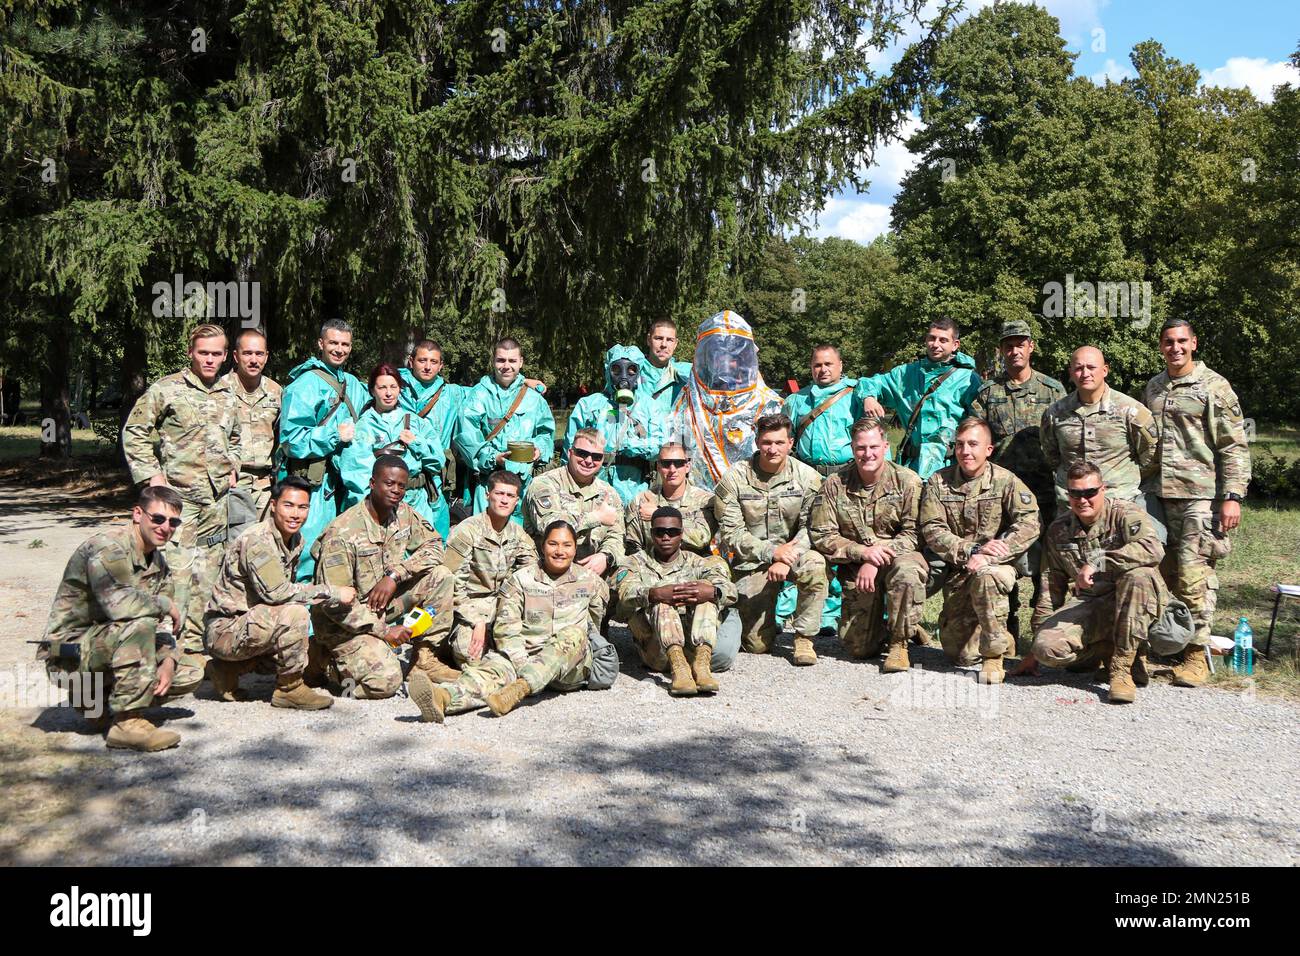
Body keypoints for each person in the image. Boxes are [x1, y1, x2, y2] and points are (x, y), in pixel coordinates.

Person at [122, 322, 241, 692]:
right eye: (203, 353)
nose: (210, 359)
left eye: (216, 353)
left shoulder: (228, 392)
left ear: (225, 356)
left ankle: (196, 655)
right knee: (175, 575)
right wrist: (151, 478)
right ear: (191, 353)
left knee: (210, 576)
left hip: (215, 501)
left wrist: (232, 464)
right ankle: (165, 652)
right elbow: (135, 432)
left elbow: (235, 435)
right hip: (179, 502)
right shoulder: (167, 389)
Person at [37, 486, 195, 752]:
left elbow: (165, 625)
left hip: (108, 644)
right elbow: (121, 607)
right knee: (140, 624)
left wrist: (168, 660)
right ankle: (127, 722)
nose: (166, 527)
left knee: (188, 670)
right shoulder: (107, 547)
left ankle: (98, 701)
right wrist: (165, 604)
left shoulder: (158, 562)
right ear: (137, 514)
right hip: (69, 653)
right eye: (157, 518)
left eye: (173, 522)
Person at [407, 520, 610, 722]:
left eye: (567, 545)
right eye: (553, 544)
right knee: (492, 670)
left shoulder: (591, 581)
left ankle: (520, 688)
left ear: (575, 549)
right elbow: (506, 629)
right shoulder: (521, 580)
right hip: (524, 658)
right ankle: (444, 698)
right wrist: (522, 663)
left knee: (574, 634)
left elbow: (594, 624)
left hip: (568, 670)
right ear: (542, 546)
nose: (559, 551)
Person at [1141, 318, 1251, 688]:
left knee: (1194, 575)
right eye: (1168, 342)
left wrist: (1232, 496)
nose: (1175, 348)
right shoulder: (1154, 388)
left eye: (1182, 341)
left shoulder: (1214, 387)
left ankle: (1196, 655)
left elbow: (1233, 446)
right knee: (1162, 572)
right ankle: (1168, 643)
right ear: (1160, 346)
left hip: (1199, 497)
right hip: (1157, 494)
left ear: (1194, 343)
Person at [1014, 462, 1169, 704]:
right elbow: (1049, 588)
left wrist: (1100, 561)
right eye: (1075, 493)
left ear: (1103, 489)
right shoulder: (1059, 530)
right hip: (1093, 604)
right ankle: (1104, 650)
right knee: (1047, 649)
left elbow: (1152, 549)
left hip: (1137, 601)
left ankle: (1121, 668)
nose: (1083, 500)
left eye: (1090, 493)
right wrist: (1035, 652)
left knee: (1138, 575)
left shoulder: (1125, 514)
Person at [309, 456, 455, 699]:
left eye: (401, 486)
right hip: (344, 624)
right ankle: (323, 661)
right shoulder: (342, 532)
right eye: (389, 484)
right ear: (372, 483)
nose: (396, 491)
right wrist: (384, 630)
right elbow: (333, 604)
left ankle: (423, 658)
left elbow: (434, 547)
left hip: (383, 606)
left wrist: (395, 575)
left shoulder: (403, 513)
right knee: (385, 682)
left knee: (441, 577)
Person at [204, 476, 355, 710]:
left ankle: (227, 670)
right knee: (295, 615)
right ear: (273, 505)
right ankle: (290, 689)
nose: (296, 514)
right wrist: (333, 592)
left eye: (303, 507)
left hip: (251, 621)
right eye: (289, 505)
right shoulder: (257, 540)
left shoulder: (295, 539)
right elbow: (278, 593)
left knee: (305, 643)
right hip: (226, 629)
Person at [919, 417, 1039, 684]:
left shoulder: (1005, 480)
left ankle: (993, 657)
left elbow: (1030, 521)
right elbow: (932, 528)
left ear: (989, 449)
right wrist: (971, 550)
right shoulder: (939, 482)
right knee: (958, 654)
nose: (966, 451)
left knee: (987, 576)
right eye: (960, 444)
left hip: (996, 565)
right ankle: (999, 636)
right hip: (959, 567)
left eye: (973, 444)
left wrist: (992, 553)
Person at [969, 320, 1066, 641]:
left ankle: (1044, 631)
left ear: (1031, 347)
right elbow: (974, 435)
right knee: (1002, 556)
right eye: (1008, 345)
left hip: (1045, 491)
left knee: (1048, 563)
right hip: (1001, 495)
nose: (1014, 350)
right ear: (1001, 350)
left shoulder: (1053, 391)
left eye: (1020, 344)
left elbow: (1065, 437)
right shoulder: (988, 393)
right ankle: (1005, 631)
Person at [810, 417, 928, 672]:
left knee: (908, 572)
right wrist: (863, 553)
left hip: (900, 560)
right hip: (857, 567)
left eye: (874, 447)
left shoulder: (908, 481)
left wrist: (876, 559)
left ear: (886, 446)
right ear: (852, 449)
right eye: (861, 448)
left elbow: (915, 534)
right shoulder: (835, 484)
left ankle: (900, 643)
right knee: (859, 648)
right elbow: (822, 534)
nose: (868, 454)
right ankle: (898, 623)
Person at [714, 413, 828, 666]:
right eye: (766, 442)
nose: (772, 449)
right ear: (756, 442)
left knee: (815, 565)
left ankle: (804, 638)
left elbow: (812, 527)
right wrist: (772, 553)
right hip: (753, 561)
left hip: (795, 554)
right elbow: (731, 533)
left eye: (779, 442)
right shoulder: (735, 477)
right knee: (755, 645)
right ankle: (766, 623)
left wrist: (786, 557)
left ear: (790, 443)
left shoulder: (808, 478)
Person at [278, 319, 369, 580]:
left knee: (343, 554)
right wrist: (332, 435)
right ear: (321, 344)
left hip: (348, 484)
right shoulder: (304, 385)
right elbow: (291, 439)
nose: (339, 349)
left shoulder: (353, 384)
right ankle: (304, 618)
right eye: (333, 343)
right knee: (308, 554)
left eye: (345, 344)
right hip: (314, 486)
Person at [782, 343, 863, 634]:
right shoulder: (796, 401)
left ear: (841, 366)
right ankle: (790, 606)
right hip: (807, 478)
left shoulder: (854, 397)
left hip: (844, 478)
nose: (823, 370)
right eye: (817, 365)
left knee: (838, 540)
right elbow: (784, 442)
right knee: (803, 537)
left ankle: (832, 612)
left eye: (829, 364)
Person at [615, 507, 738, 695]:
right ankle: (678, 666)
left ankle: (702, 664)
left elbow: (730, 590)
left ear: (681, 534)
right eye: (660, 532)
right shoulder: (633, 563)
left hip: (693, 644)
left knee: (706, 589)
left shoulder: (699, 562)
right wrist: (653, 594)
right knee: (661, 600)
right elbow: (625, 593)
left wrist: (712, 591)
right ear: (651, 533)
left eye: (672, 532)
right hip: (656, 650)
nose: (666, 537)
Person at [672, 310, 783, 491]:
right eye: (720, 356)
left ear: (744, 359)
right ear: (708, 358)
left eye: (733, 357)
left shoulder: (766, 403)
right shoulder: (688, 399)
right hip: (699, 502)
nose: (727, 364)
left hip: (751, 499)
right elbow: (672, 453)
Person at [858, 318, 982, 479]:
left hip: (952, 467)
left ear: (955, 345)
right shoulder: (905, 375)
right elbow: (869, 382)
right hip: (912, 469)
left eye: (943, 340)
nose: (935, 344)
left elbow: (980, 425)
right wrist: (868, 397)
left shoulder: (968, 379)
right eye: (932, 338)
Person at [438, 470, 537, 668]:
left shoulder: (519, 535)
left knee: (533, 650)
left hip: (504, 606)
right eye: (499, 494)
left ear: (517, 500)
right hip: (469, 607)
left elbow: (532, 575)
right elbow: (452, 584)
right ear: (487, 495)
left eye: (510, 496)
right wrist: (477, 621)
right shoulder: (467, 531)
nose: (504, 500)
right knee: (471, 655)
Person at [1040, 346, 1158, 510]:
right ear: (1071, 372)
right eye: (1079, 368)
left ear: (1104, 370)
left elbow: (1151, 457)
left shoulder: (1131, 411)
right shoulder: (1055, 414)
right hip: (1072, 507)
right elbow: (1052, 456)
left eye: (1091, 367)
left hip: (1119, 506)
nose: (1085, 373)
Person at [455, 337, 555, 522]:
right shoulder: (478, 395)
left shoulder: (533, 398)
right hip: (489, 485)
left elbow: (546, 433)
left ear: (521, 362)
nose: (506, 366)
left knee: (522, 542)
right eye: (501, 360)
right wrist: (493, 458)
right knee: (484, 540)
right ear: (493, 361)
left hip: (524, 486)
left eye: (512, 360)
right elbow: (466, 436)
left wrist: (539, 449)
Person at [339, 363, 446, 537]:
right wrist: (372, 514)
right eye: (382, 387)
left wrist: (417, 443)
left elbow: (437, 462)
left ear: (400, 389)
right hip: (381, 507)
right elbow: (357, 477)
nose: (388, 393)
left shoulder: (416, 423)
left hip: (417, 505)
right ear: (373, 391)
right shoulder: (364, 427)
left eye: (393, 387)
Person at [564, 345, 665, 504]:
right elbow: (570, 447)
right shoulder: (589, 405)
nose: (624, 377)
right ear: (608, 371)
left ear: (639, 372)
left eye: (631, 370)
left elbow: (660, 446)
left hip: (636, 487)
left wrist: (631, 445)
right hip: (593, 485)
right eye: (617, 369)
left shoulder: (650, 407)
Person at [523, 427, 625, 583]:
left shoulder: (609, 493)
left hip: (590, 577)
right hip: (544, 576)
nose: (589, 461)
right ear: (570, 453)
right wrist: (596, 517)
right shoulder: (544, 484)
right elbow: (550, 526)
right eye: (582, 453)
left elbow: (616, 535)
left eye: (596, 457)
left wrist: (605, 556)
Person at [399, 338, 468, 518]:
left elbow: (484, 391)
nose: (427, 366)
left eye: (433, 361)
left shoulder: (452, 394)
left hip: (435, 478)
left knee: (435, 533)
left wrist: (524, 382)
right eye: (422, 360)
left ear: (441, 365)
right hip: (398, 474)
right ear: (411, 361)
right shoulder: (394, 387)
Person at [224, 326, 282, 517]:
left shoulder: (276, 392)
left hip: (265, 487)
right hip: (230, 484)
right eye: (247, 353)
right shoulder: (220, 390)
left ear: (266, 356)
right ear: (235, 356)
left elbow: (281, 437)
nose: (253, 360)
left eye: (259, 354)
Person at [624, 442, 719, 558]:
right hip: (653, 568)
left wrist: (657, 515)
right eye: (666, 464)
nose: (672, 469)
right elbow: (633, 547)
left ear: (687, 466)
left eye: (678, 463)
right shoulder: (641, 501)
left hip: (694, 569)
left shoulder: (705, 501)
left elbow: (701, 538)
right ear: (658, 467)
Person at [637, 318, 693, 423]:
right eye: (658, 338)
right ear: (649, 340)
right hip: (636, 437)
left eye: (669, 340)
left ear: (675, 344)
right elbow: (613, 411)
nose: (664, 344)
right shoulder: (630, 373)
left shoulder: (686, 376)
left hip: (672, 438)